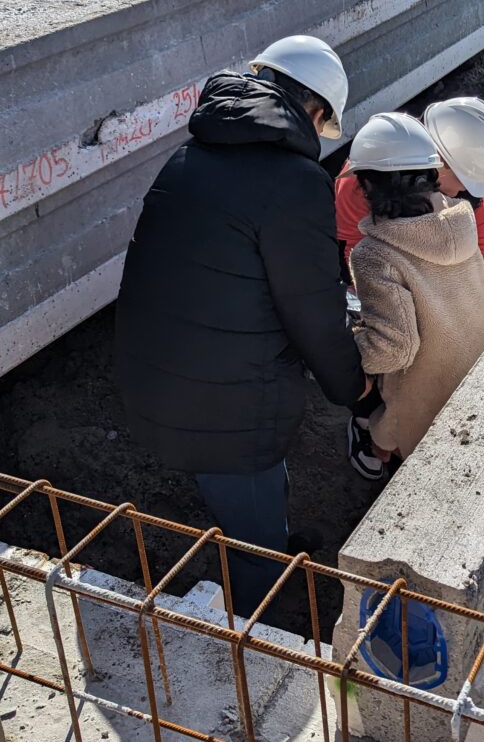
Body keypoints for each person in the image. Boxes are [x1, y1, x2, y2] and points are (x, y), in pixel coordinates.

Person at [114, 35, 376, 614]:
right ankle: (260, 623)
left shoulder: (189, 155)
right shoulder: (294, 182)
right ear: (316, 112)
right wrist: (355, 389)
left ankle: (270, 540)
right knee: (251, 529)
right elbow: (314, 312)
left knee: (248, 492)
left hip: (156, 374)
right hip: (221, 407)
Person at [346, 112, 484, 465]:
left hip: (429, 395)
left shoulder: (374, 255)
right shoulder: (461, 219)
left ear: (366, 185)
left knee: (396, 446)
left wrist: (348, 345)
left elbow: (394, 351)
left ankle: (374, 450)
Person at [334, 96, 484, 267]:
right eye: (462, 178)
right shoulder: (365, 178)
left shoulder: (466, 181)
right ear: (440, 159)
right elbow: (355, 250)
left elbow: (478, 244)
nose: (464, 187)